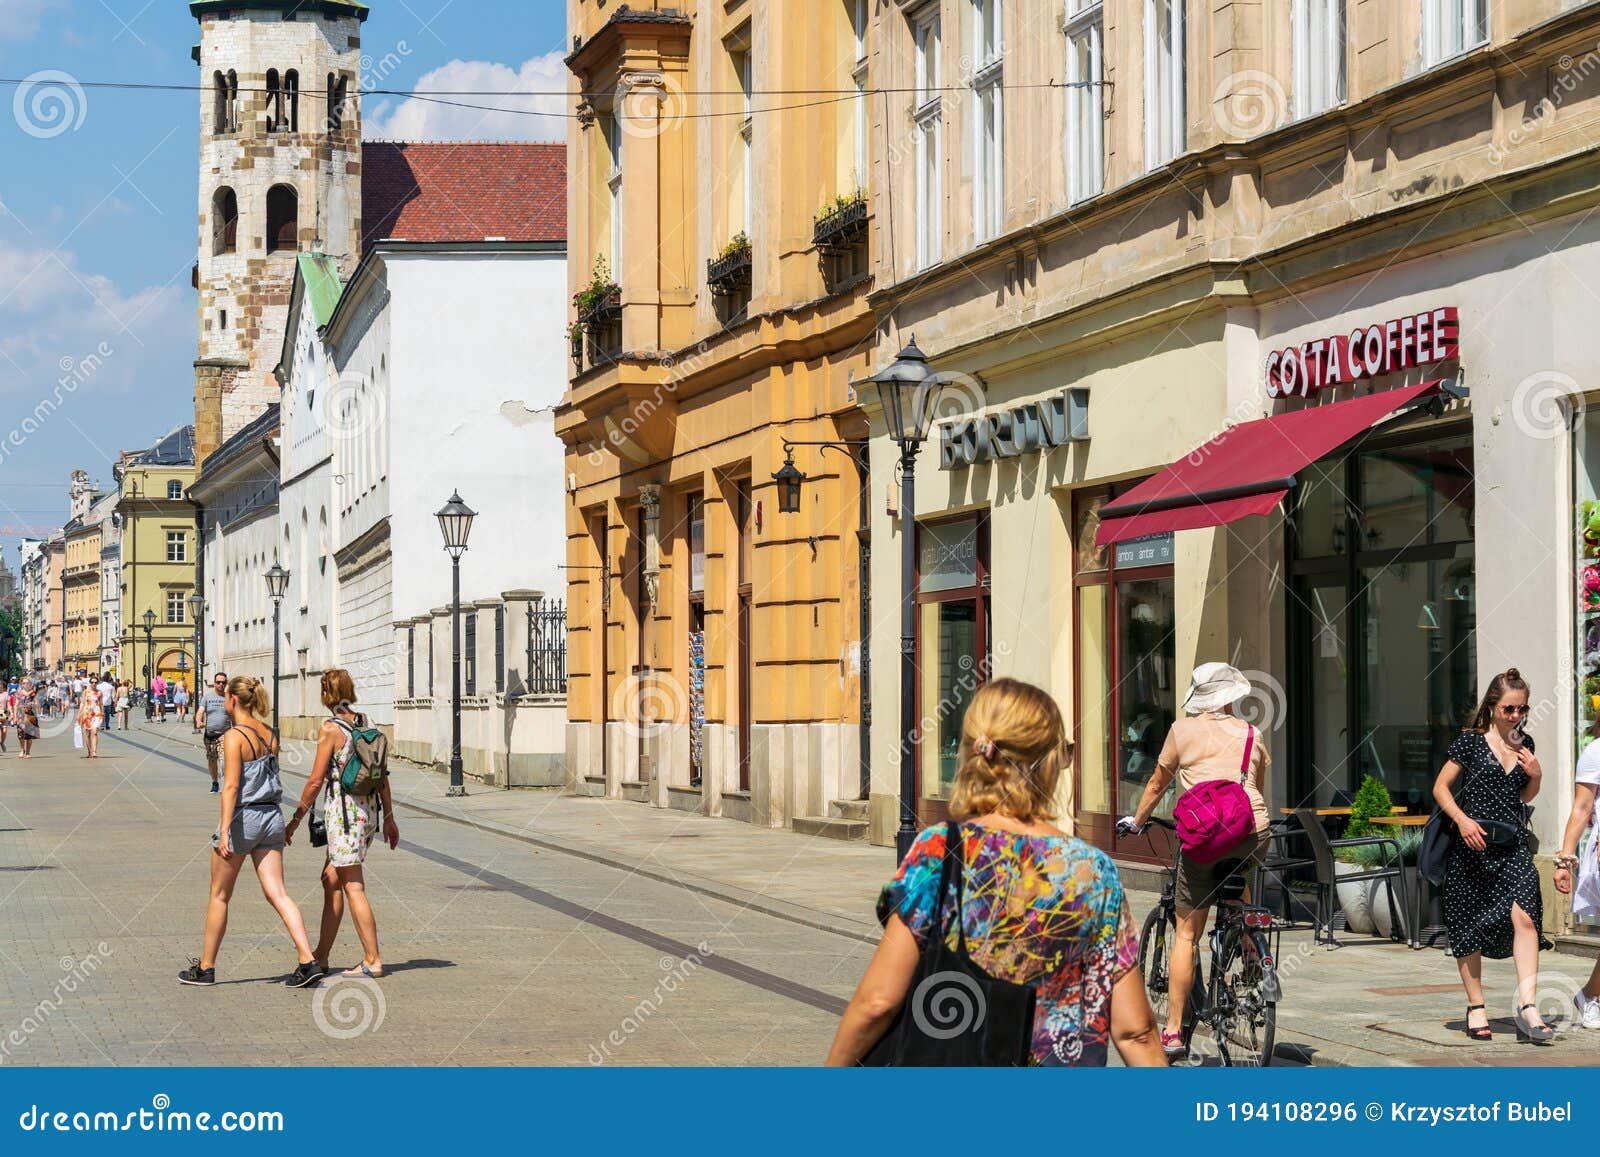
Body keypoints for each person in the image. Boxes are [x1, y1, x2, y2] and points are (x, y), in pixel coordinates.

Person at [826, 678, 1164, 1067]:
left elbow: (878, 1002)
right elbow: (1135, 1031)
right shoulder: (1092, 872)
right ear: (1052, 762)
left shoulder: (940, 851)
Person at [1118, 661, 1272, 1060]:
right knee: (1239, 879)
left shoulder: (1181, 731)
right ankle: (1254, 951)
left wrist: (1137, 821)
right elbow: (1256, 787)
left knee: (1187, 934)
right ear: (1232, 696)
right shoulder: (1252, 734)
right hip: (1252, 830)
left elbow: (1157, 782)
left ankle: (1171, 1032)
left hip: (1203, 838)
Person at [178, 675, 324, 989]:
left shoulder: (234, 737)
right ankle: (307, 959)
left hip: (245, 817)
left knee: (219, 894)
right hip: (272, 815)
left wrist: (226, 831)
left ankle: (206, 968)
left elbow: (230, 787)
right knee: (279, 893)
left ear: (232, 700)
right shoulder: (270, 734)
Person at [1434, 668, 1553, 1044]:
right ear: (1492, 707)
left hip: (1513, 846)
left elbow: (1525, 798)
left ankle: (1528, 1006)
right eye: (1508, 709)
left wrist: (1536, 774)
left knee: (1527, 918)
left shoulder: (1525, 744)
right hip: (1472, 847)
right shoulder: (1469, 744)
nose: (1516, 716)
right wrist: (1462, 820)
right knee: (1467, 926)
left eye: (1522, 709)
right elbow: (1440, 788)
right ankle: (1476, 1006)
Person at [286, 669, 399, 979]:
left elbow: (314, 780)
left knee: (353, 885)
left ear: (326, 695)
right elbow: (382, 776)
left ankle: (373, 959)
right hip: (367, 813)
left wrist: (295, 820)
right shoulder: (367, 722)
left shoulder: (330, 730)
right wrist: (389, 818)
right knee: (330, 880)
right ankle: (321, 956)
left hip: (344, 816)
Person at [1554, 718, 1600, 1030]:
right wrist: (1564, 859)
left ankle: (1589, 995)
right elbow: (1582, 808)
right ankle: (1589, 997)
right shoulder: (1596, 751)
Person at [194, 672, 230, 794]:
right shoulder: (207, 697)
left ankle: (226, 784)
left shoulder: (229, 698)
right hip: (209, 735)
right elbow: (200, 712)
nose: (221, 684)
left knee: (224, 759)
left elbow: (235, 715)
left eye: (223, 682)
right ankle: (215, 782)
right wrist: (199, 721)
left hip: (225, 734)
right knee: (212, 760)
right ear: (214, 683)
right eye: (218, 682)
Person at [77, 683, 102, 759]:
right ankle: (89, 751)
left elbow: (101, 703)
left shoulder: (99, 692)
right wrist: (79, 714)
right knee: (87, 734)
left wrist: (102, 712)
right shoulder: (86, 692)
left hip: (96, 713)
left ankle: (94, 752)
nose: (94, 684)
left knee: (94, 732)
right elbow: (82, 703)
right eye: (92, 682)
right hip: (87, 713)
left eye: (95, 682)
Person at [17, 680, 38, 758]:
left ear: (30, 684)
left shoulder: (33, 694)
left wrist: (33, 704)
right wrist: (14, 716)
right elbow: (16, 704)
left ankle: (28, 752)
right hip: (21, 716)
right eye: (24, 683)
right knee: (21, 735)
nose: (26, 684)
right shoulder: (19, 692)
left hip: (30, 715)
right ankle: (22, 750)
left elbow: (37, 704)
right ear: (21, 684)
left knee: (29, 735)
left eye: (27, 683)